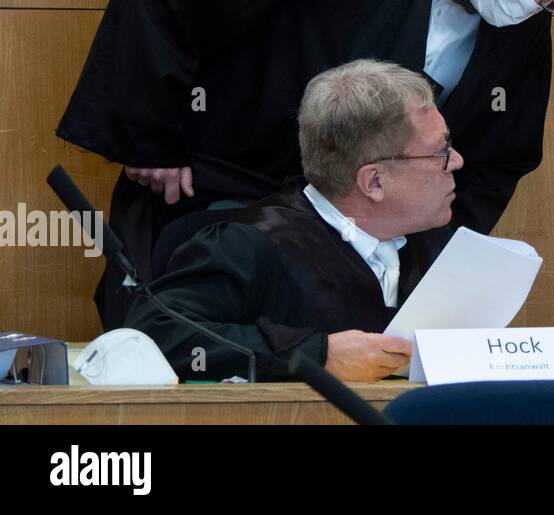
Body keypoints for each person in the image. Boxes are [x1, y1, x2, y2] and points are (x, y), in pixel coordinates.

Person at [58, 0, 554, 330]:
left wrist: (430, 262)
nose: (533, 2)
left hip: (365, 260)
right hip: (222, 208)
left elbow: (499, 156)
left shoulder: (525, 13)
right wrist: (151, 136)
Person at [125, 60, 462, 381]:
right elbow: (153, 335)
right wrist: (315, 355)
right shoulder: (249, 244)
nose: (457, 162)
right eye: (440, 151)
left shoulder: (433, 243)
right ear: (374, 181)